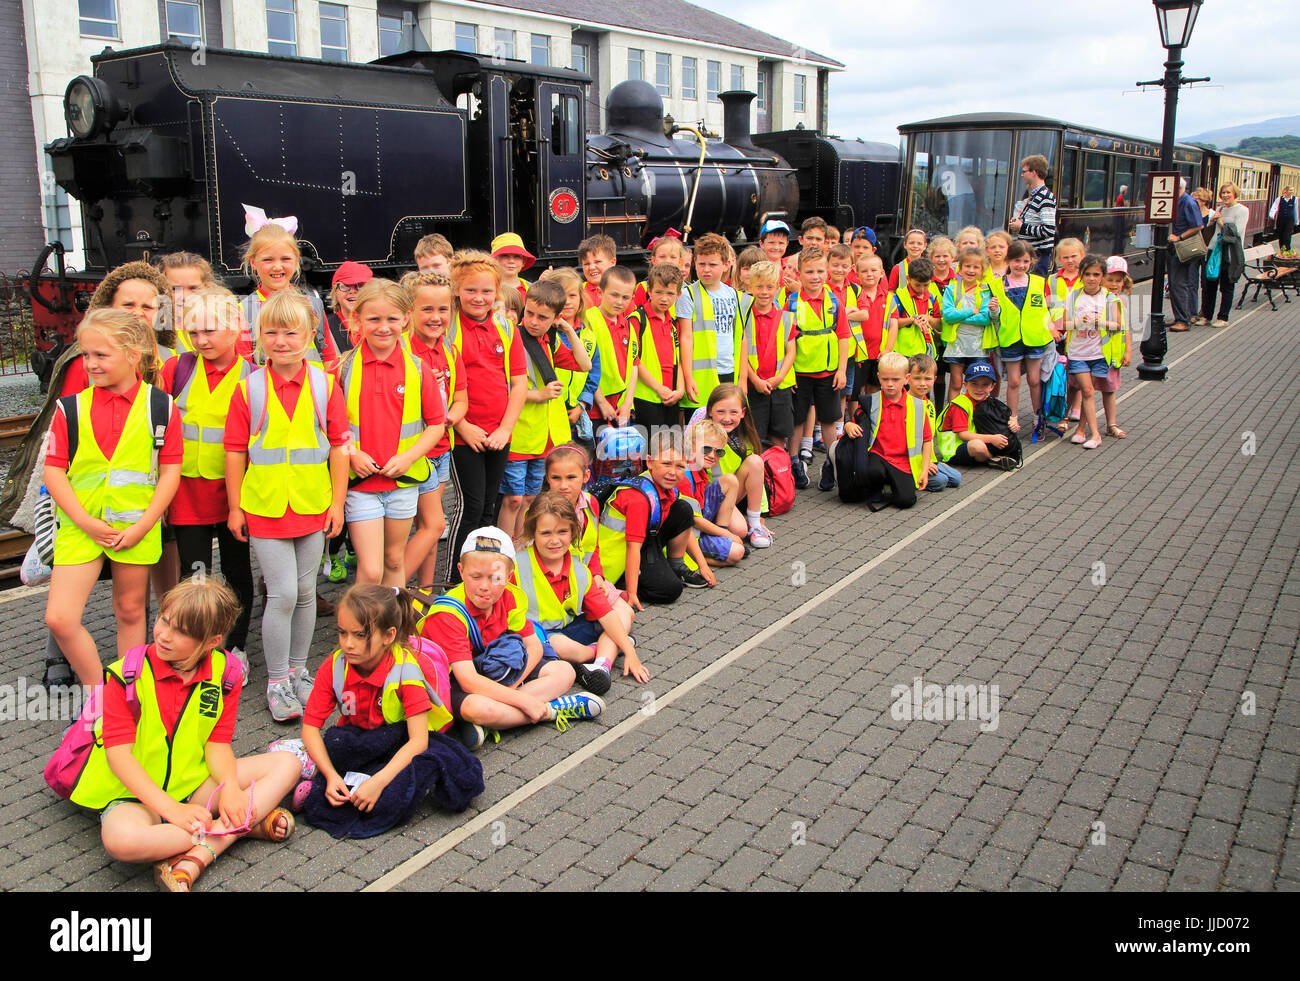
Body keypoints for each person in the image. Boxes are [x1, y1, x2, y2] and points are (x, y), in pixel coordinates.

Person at [71, 577, 300, 892]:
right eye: (164, 621)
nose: (163, 635)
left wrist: (231, 789)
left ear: (210, 641)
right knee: (121, 843)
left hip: (193, 784)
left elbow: (217, 744)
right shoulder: (125, 676)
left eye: (181, 632)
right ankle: (238, 828)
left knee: (288, 763)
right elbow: (119, 758)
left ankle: (198, 856)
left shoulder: (226, 673)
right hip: (137, 796)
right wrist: (171, 810)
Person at [224, 290, 350, 721]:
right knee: (282, 594)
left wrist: (337, 503)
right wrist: (235, 507)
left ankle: (299, 670)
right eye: (270, 332)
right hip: (265, 507)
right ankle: (277, 680)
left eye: (291, 332)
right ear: (259, 336)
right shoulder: (249, 389)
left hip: (313, 505)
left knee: (306, 594)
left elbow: (338, 447)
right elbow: (235, 451)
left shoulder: (324, 384)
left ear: (311, 334)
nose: (280, 341)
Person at [44, 309, 183, 688]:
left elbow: (170, 470)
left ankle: (127, 694)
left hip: (134, 527)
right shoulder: (70, 409)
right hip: (80, 526)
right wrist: (86, 522)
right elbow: (54, 471)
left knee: (130, 610)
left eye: (100, 355)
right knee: (60, 617)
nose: (90, 364)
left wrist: (144, 524)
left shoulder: (161, 407)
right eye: (86, 355)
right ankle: (97, 692)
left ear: (133, 355)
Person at [300, 584, 478, 837]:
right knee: (329, 782)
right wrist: (330, 776)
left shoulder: (407, 671)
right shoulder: (334, 666)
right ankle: (318, 781)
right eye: (342, 633)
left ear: (388, 635)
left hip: (398, 742)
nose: (348, 644)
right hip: (360, 741)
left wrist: (378, 782)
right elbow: (310, 727)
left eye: (359, 635)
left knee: (387, 800)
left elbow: (418, 741)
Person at [417, 527, 605, 749]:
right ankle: (552, 711)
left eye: (495, 578)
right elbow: (467, 680)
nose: (484, 587)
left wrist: (512, 688)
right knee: (478, 709)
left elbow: (533, 645)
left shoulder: (509, 596)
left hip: (495, 671)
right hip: (457, 681)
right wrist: (521, 700)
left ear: (508, 576)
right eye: (475, 576)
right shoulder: (448, 615)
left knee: (564, 671)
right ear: (461, 570)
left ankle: (493, 723)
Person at [162, 289, 255, 671]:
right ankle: (196, 645)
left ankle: (235, 648)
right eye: (194, 332)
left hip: (234, 495)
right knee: (194, 575)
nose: (202, 341)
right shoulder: (177, 370)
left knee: (236, 574)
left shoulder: (252, 376)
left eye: (211, 331)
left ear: (234, 329)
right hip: (187, 494)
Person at [337, 280, 445, 587]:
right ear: (357, 319)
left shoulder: (417, 369)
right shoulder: (343, 369)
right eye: (374, 319)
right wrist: (352, 453)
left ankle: (390, 630)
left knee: (395, 560)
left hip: (403, 481)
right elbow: (333, 426)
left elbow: (436, 423)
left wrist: (409, 457)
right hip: (361, 484)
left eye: (391, 319)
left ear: (405, 319)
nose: (383, 327)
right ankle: (358, 630)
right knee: (370, 570)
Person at [444, 252, 527, 577]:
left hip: (498, 434)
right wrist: (464, 427)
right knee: (471, 507)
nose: (479, 298)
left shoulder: (505, 328)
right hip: (463, 436)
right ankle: (453, 580)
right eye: (470, 291)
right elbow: (439, 390)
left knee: (490, 506)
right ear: (456, 291)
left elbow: (518, 383)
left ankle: (480, 573)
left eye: (486, 291)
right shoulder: (449, 328)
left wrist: (505, 430)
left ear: (497, 291)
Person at [514, 492, 643, 693]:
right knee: (559, 644)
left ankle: (602, 662)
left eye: (562, 532)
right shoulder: (516, 566)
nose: (555, 540)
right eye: (546, 533)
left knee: (619, 614)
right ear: (533, 533)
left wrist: (630, 652)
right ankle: (595, 653)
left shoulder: (580, 570)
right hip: (531, 638)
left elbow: (604, 613)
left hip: (567, 629)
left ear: (573, 532)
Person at [497, 280, 591, 539]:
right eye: (529, 313)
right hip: (518, 433)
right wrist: (538, 395)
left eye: (542, 317)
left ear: (555, 318)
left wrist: (569, 331)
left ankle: (521, 546)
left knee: (529, 497)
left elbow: (584, 365)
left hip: (542, 435)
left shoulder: (549, 340)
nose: (533, 321)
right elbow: (501, 385)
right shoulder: (511, 336)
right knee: (513, 499)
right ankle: (506, 548)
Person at [401, 271, 467, 588]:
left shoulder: (450, 351)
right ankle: (392, 591)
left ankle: (422, 596)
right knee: (420, 528)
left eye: (443, 310)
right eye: (427, 309)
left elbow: (461, 399)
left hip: (439, 454)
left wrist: (451, 416)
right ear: (409, 311)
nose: (436, 317)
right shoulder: (401, 352)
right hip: (408, 455)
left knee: (430, 528)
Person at [596, 430, 714, 606]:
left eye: (680, 466)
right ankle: (624, 581)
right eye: (666, 463)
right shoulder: (638, 499)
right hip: (618, 557)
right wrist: (631, 594)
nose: (673, 472)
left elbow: (684, 524)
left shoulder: (667, 487)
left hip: (645, 540)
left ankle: (675, 565)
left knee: (683, 509)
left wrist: (703, 565)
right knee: (669, 590)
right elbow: (632, 547)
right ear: (650, 462)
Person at [785, 247, 850, 490]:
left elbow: (843, 335)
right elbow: (787, 342)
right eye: (809, 271)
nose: (815, 276)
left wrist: (842, 370)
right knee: (797, 420)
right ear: (799, 274)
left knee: (829, 420)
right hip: (800, 373)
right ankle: (794, 464)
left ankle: (831, 465)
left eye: (820, 271)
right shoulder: (791, 303)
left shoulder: (834, 301)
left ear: (827, 272)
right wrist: (788, 374)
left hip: (828, 373)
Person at [834, 351, 931, 509]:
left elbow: (927, 440)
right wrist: (848, 425)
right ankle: (877, 486)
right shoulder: (871, 401)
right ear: (878, 377)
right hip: (877, 456)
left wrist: (924, 470)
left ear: (906, 379)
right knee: (872, 471)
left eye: (895, 379)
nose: (890, 384)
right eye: (885, 379)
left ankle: (890, 484)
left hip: (903, 461)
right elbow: (856, 419)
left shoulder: (918, 406)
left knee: (906, 501)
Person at [238, 222, 337, 365]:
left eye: (285, 259)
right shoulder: (244, 310)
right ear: (253, 262)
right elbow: (244, 366)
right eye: (268, 259)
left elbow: (329, 357)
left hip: (312, 386)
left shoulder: (313, 305)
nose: (277, 267)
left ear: (296, 260)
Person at [989, 240, 1055, 434]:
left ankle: (1038, 417)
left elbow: (1046, 310)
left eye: (1025, 261)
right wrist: (993, 310)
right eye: (1017, 261)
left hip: (1035, 337)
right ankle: (1013, 418)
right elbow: (995, 316)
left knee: (1035, 380)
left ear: (1031, 261)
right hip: (1010, 338)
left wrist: (1052, 329)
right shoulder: (996, 285)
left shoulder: (1039, 282)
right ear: (1008, 261)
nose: (1021, 265)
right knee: (1014, 381)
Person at [1059, 255, 1121, 448]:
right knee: (1086, 390)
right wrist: (1080, 323)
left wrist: (1098, 322)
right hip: (1078, 352)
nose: (1092, 278)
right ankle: (1095, 435)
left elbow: (1118, 325)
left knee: (1089, 393)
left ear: (1102, 276)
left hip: (1099, 353)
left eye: (1096, 274)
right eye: (1087, 274)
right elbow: (1065, 323)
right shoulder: (1073, 296)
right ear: (1081, 275)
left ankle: (1081, 430)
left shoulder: (1110, 298)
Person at [701, 383, 773, 546]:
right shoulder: (701, 435)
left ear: (743, 413)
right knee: (739, 530)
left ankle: (754, 526)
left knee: (755, 461)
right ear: (710, 411)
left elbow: (757, 481)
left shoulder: (745, 439)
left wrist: (761, 517)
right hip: (705, 499)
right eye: (721, 412)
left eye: (733, 412)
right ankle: (712, 528)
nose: (727, 418)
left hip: (729, 495)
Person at [677, 233, 742, 412]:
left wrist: (741, 377)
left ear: (726, 264)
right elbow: (686, 337)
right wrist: (688, 376)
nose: (706, 269)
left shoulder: (734, 295)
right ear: (694, 263)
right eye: (701, 264)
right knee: (700, 427)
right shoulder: (687, 295)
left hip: (728, 370)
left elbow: (739, 336)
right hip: (701, 376)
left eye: (712, 265)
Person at [738, 259, 796, 448]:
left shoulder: (786, 317)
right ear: (750, 286)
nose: (764, 292)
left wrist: (779, 377)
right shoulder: (744, 318)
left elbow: (791, 351)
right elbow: (741, 353)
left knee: (779, 435)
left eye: (770, 287)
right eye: (759, 286)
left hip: (779, 387)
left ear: (778, 287)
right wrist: (755, 380)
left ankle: (780, 472)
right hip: (754, 387)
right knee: (755, 434)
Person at [540, 267, 600, 445]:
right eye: (561, 295)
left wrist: (581, 405)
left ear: (581, 299)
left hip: (576, 410)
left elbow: (593, 374)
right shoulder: (545, 333)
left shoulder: (589, 335)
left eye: (572, 295)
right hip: (548, 408)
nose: (566, 301)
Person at [678, 419, 748, 567]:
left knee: (730, 480)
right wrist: (729, 535)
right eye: (706, 449)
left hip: (697, 521)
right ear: (690, 447)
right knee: (737, 552)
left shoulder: (700, 469)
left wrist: (723, 533)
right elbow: (693, 520)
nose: (712, 455)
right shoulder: (684, 475)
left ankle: (719, 533)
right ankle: (692, 556)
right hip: (687, 532)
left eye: (718, 452)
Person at [631, 262, 685, 429]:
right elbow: (634, 361)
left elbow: (679, 359)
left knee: (671, 450)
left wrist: (680, 390)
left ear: (678, 294)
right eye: (659, 292)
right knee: (652, 451)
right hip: (646, 398)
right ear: (649, 291)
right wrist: (659, 388)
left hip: (672, 396)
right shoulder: (637, 319)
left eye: (670, 293)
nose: (664, 298)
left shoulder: (674, 322)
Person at [937, 361, 1019, 470]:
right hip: (955, 449)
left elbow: (1003, 417)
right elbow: (963, 435)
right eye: (974, 384)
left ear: (992, 387)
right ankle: (993, 459)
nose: (979, 389)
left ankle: (997, 457)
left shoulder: (988, 401)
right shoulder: (960, 404)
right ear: (965, 385)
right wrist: (992, 439)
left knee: (1002, 439)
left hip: (977, 441)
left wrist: (1013, 422)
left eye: (985, 384)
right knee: (977, 446)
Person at [586, 266, 639, 426]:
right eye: (614, 295)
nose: (619, 302)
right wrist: (601, 402)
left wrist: (628, 403)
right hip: (594, 408)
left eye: (625, 297)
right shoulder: (588, 320)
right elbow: (584, 368)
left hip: (621, 408)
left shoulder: (628, 326)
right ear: (600, 293)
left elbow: (634, 366)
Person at [941, 248, 997, 399]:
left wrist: (959, 316)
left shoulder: (985, 291)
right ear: (959, 268)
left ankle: (975, 417)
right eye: (967, 266)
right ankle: (952, 414)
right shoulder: (951, 289)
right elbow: (947, 315)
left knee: (978, 384)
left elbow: (985, 318)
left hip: (978, 346)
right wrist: (971, 310)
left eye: (976, 267)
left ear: (982, 270)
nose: (971, 270)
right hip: (956, 344)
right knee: (956, 383)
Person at [906, 354, 961, 492]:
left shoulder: (929, 405)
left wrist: (931, 462)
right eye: (917, 378)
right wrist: (925, 465)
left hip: (928, 459)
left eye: (927, 379)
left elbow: (928, 438)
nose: (923, 383)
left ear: (934, 380)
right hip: (912, 460)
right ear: (908, 378)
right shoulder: (905, 404)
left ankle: (934, 468)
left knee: (956, 478)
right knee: (941, 482)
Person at [1199, 181, 1249, 327]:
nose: (1225, 195)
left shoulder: (1242, 210)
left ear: (1235, 193)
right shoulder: (1220, 209)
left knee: (1226, 286)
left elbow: (1236, 233)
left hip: (1229, 252)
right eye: (1223, 193)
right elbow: (1209, 230)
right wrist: (1212, 220)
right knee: (1209, 284)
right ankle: (1206, 315)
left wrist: (1220, 222)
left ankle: (1223, 317)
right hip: (1214, 250)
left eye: (1228, 192)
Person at [1099, 257, 1134, 440]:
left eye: (1118, 280)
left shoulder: (1121, 301)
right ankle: (1079, 421)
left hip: (1111, 354)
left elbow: (1125, 328)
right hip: (1093, 352)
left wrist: (1127, 351)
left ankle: (1111, 423)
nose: (1114, 284)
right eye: (1110, 279)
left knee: (1109, 388)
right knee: (1084, 388)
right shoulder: (1095, 298)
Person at [847, 254, 888, 405]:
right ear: (856, 274)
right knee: (855, 391)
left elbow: (893, 324)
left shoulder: (888, 297)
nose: (869, 274)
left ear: (882, 273)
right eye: (864, 271)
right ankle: (854, 422)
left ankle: (871, 420)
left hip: (879, 352)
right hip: (859, 352)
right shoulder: (855, 295)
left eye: (873, 270)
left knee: (874, 388)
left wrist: (888, 349)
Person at [1166, 178, 1205, 333]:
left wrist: (1179, 237)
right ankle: (1179, 317)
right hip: (1175, 248)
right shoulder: (1179, 201)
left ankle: (1184, 320)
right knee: (1174, 283)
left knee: (1179, 283)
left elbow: (1198, 225)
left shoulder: (1188, 202)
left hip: (1182, 248)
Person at [1009, 154, 1057, 275]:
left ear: (1034, 172)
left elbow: (1049, 230)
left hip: (1038, 256)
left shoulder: (1045, 197)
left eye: (1024, 171)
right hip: (1031, 255)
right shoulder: (1035, 196)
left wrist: (1021, 227)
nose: (1022, 174)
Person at [886, 255, 940, 362]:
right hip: (903, 353)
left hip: (926, 351)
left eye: (926, 285)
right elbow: (890, 323)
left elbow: (940, 324)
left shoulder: (932, 297)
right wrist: (912, 320)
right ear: (908, 279)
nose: (922, 289)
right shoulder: (897, 298)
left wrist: (928, 318)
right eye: (918, 285)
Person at [325, 261, 371, 356]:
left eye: (360, 286)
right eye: (345, 286)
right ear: (335, 292)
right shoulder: (326, 328)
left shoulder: (381, 325)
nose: (352, 291)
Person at [491, 232, 535, 300]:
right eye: (505, 255)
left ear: (523, 262)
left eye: (517, 256)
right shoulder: (485, 289)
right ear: (494, 260)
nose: (511, 261)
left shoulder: (532, 290)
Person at [578, 234, 618, 309]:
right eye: (587, 264)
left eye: (597, 262)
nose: (592, 267)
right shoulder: (578, 293)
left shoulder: (622, 291)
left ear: (612, 262)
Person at [1269, 185, 1298, 250]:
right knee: (1281, 236)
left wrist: (1296, 221)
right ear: (1286, 191)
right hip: (1281, 220)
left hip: (1290, 220)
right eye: (1290, 190)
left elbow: (1295, 210)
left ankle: (1287, 251)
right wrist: (1272, 215)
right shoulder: (1279, 199)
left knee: (1287, 236)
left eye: (1293, 190)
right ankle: (1282, 250)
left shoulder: (1295, 199)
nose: (1292, 192)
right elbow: (1274, 207)